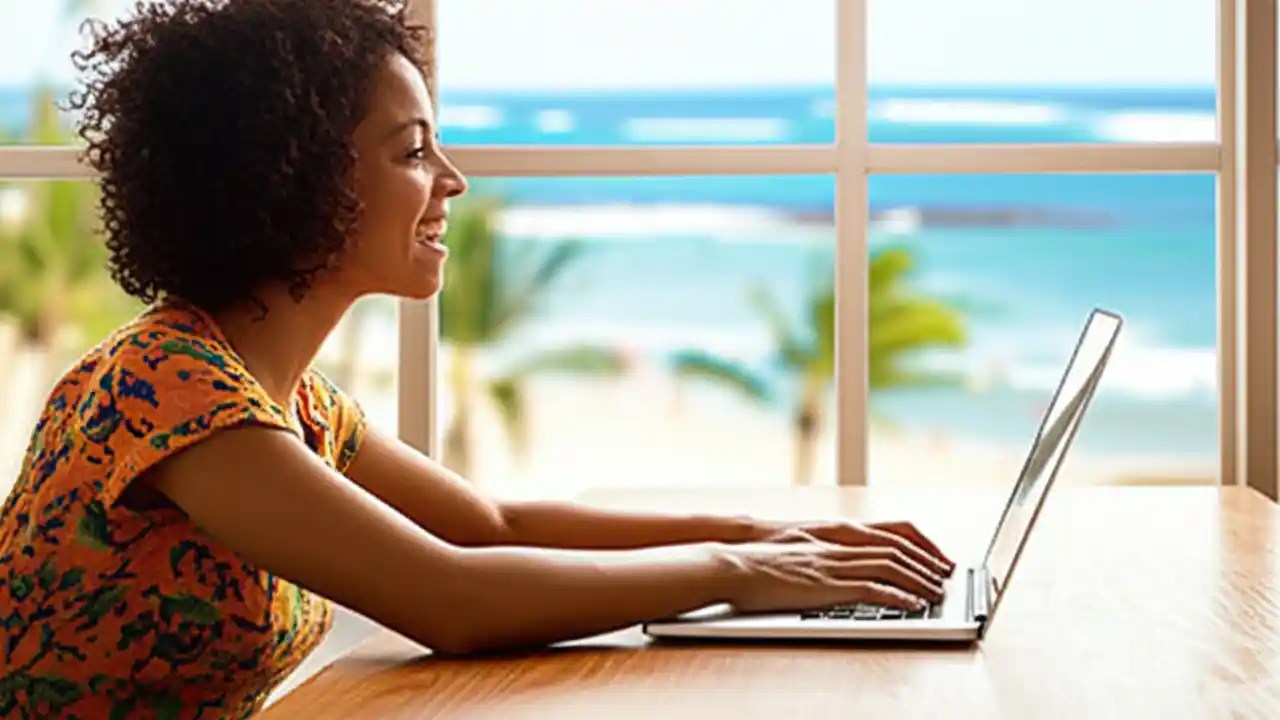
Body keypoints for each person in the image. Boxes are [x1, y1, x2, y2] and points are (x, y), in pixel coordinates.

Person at [0, 0, 954, 716]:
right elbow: (450, 597)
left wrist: (761, 540)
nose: (452, 180)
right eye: (413, 152)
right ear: (289, 179)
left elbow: (485, 524)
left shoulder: (281, 401)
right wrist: (726, 570)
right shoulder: (164, 391)